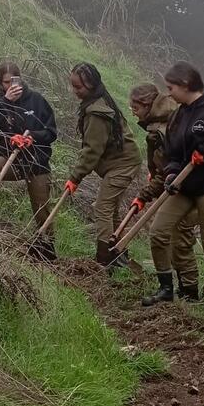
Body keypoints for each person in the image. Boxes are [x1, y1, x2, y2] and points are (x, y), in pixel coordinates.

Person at [145, 61, 204, 323]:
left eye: (171, 87)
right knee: (159, 232)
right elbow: (173, 154)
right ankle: (166, 288)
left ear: (185, 85)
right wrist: (172, 173)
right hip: (184, 186)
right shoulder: (179, 115)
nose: (168, 93)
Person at [0, 62, 58, 256]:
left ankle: (47, 248)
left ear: (20, 79)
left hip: (36, 164)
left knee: (42, 209)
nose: (10, 86)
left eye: (13, 81)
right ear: (0, 83)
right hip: (10, 161)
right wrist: (5, 103)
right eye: (5, 83)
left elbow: (51, 132)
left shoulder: (37, 100)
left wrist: (32, 137)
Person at [65, 62, 142, 266]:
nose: (75, 91)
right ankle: (119, 252)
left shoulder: (97, 112)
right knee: (111, 208)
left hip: (123, 164)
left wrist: (75, 177)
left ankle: (105, 258)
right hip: (120, 162)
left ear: (91, 85)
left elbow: (92, 150)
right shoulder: (96, 101)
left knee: (103, 207)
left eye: (79, 87)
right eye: (73, 86)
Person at [127, 85, 198, 302]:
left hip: (188, 189)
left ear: (148, 105)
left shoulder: (163, 129)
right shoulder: (158, 125)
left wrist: (145, 194)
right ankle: (178, 289)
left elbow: (167, 169)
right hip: (175, 187)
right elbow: (161, 170)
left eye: (136, 107)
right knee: (173, 238)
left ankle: (190, 293)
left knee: (180, 240)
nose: (133, 112)